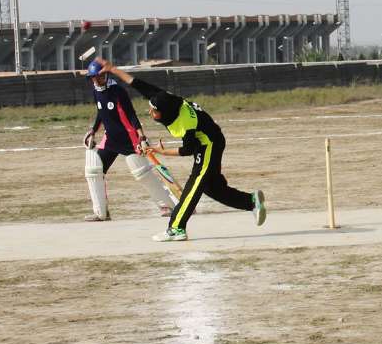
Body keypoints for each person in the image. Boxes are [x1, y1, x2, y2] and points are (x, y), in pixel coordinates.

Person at [97, 60, 265, 242]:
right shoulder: (163, 98)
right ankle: (251, 201)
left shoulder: (186, 123)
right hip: (207, 141)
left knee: (194, 186)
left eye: (154, 111)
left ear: (164, 113)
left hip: (209, 145)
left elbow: (188, 150)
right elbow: (136, 83)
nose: (150, 112)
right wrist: (113, 69)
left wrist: (161, 151)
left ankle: (176, 228)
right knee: (213, 188)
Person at [80, 59, 178, 221]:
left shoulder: (118, 91)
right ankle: (101, 213)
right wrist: (93, 130)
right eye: (94, 77)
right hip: (110, 139)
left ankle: (169, 205)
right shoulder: (96, 91)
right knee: (93, 170)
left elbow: (131, 114)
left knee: (142, 173)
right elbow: (101, 112)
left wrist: (141, 135)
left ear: (106, 75)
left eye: (100, 76)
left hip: (129, 138)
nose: (97, 80)